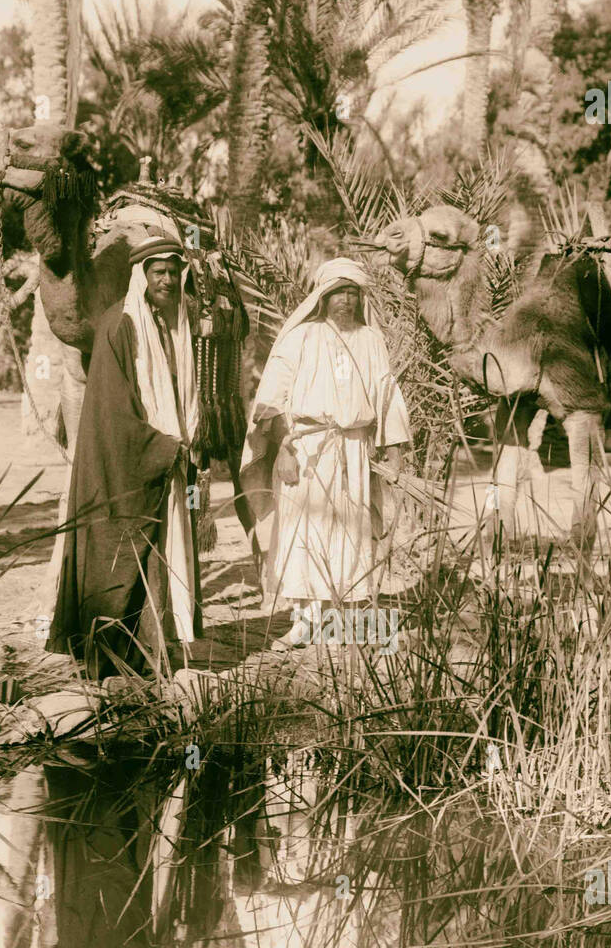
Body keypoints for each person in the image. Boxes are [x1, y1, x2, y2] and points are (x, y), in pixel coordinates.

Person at [49, 235, 203, 679]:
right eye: (159, 273)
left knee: (160, 552)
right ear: (143, 277)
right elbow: (115, 410)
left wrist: (183, 442)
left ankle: (154, 651)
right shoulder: (121, 324)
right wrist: (163, 447)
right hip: (123, 462)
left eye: (174, 272)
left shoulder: (173, 326)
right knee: (119, 553)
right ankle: (110, 657)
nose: (168, 280)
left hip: (163, 456)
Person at [239, 257, 411, 647]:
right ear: (322, 296)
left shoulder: (372, 340)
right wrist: (284, 448)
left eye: (353, 292)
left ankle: (341, 618)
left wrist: (394, 451)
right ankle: (303, 620)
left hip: (354, 449)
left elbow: (387, 395)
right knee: (306, 530)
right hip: (307, 449)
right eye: (338, 292)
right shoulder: (301, 338)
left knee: (351, 530)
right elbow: (271, 400)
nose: (346, 300)